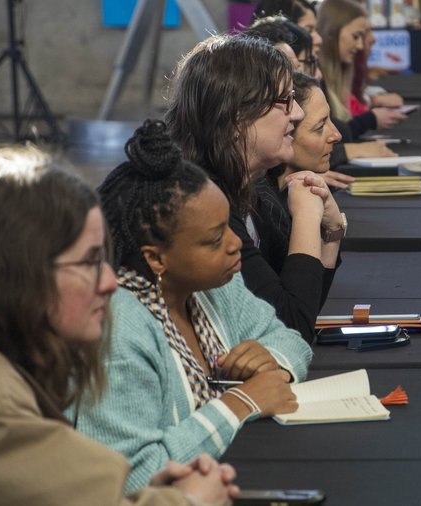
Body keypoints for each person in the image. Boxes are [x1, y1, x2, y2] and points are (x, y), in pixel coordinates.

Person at [0, 145, 237, 505]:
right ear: (20, 276)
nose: (110, 283)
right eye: (89, 262)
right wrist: (189, 502)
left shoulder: (8, 368)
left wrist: (142, 495)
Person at [79, 120, 313, 492]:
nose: (236, 243)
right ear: (156, 259)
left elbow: (290, 339)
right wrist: (241, 402)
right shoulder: (118, 331)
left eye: (228, 227)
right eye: (214, 238)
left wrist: (272, 364)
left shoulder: (213, 286)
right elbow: (133, 476)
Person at [165, 34, 341, 343]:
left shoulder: (251, 188)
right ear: (237, 118)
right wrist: (307, 217)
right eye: (286, 101)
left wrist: (332, 233)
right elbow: (290, 327)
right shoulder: (204, 208)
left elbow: (301, 303)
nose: (297, 113)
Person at [256, 72, 345, 280]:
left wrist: (333, 231)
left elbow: (311, 298)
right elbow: (295, 311)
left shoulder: (281, 195)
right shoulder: (263, 207)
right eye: (320, 127)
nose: (336, 135)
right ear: (286, 132)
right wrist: (310, 217)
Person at [316, 0, 405, 132]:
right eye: (355, 36)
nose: (360, 46)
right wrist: (370, 119)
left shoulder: (341, 75)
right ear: (332, 33)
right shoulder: (317, 78)